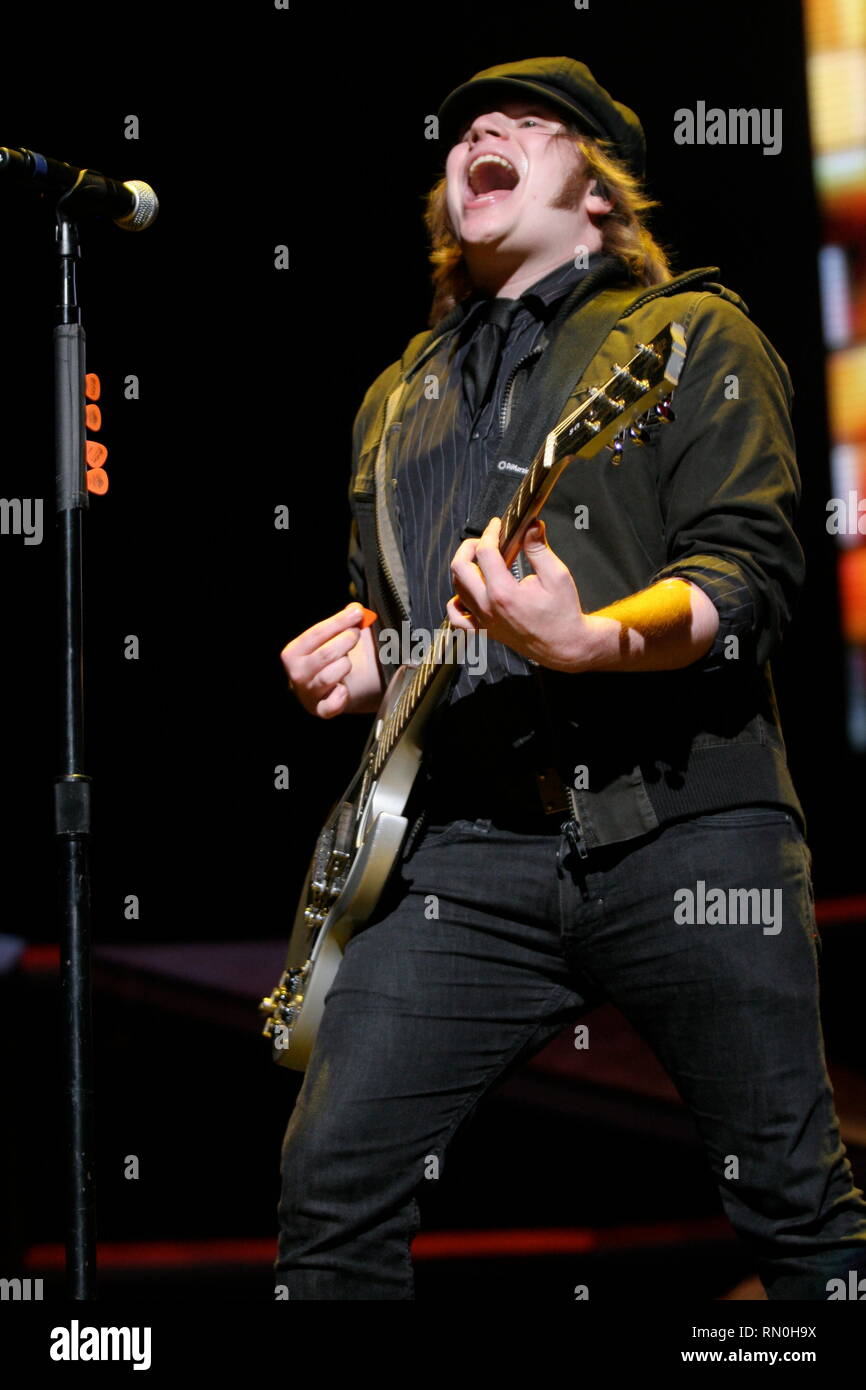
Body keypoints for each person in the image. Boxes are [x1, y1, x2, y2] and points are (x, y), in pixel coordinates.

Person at [275, 57, 866, 1300]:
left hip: (684, 826)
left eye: (524, 125)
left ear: (598, 191)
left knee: (795, 1210)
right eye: (461, 130)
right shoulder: (395, 399)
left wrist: (589, 639)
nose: (477, 131)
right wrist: (355, 663)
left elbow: (746, 573)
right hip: (462, 852)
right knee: (330, 1198)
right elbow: (395, 625)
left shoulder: (691, 335)